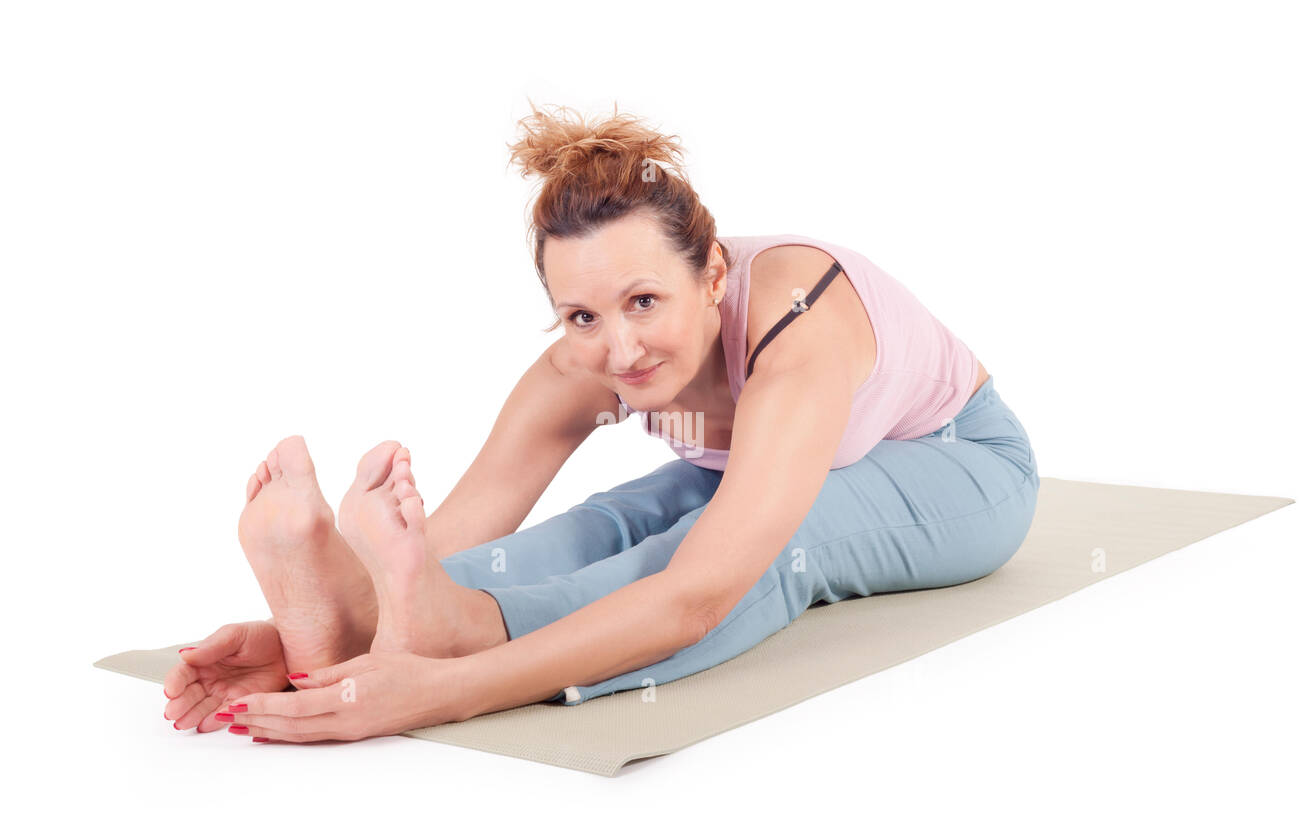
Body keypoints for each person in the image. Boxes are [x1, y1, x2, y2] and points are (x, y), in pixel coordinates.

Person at [161, 102, 1039, 743]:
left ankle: (465, 636)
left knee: (762, 542)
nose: (620, 349)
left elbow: (697, 597)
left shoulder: (796, 333)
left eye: (644, 301)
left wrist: (448, 690)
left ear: (715, 277)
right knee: (615, 519)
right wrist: (338, 620)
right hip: (793, 453)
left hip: (961, 461)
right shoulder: (589, 360)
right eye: (582, 315)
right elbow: (470, 524)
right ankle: (370, 624)